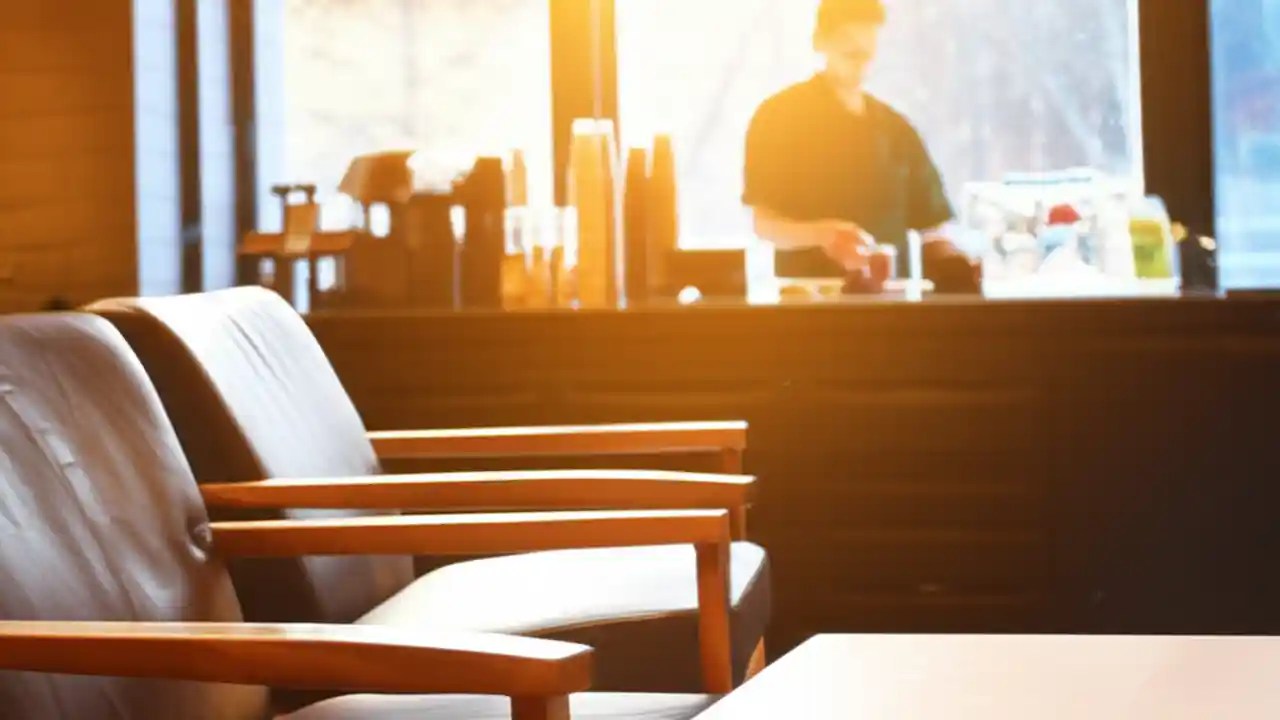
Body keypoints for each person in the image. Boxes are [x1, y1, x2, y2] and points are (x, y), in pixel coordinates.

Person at [743, 0, 963, 281]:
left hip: (890, 303)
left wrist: (955, 265)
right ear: (820, 42)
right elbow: (764, 224)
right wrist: (823, 234)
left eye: (866, 51)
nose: (859, 61)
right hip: (808, 300)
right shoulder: (777, 118)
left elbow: (931, 227)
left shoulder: (896, 129)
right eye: (849, 50)